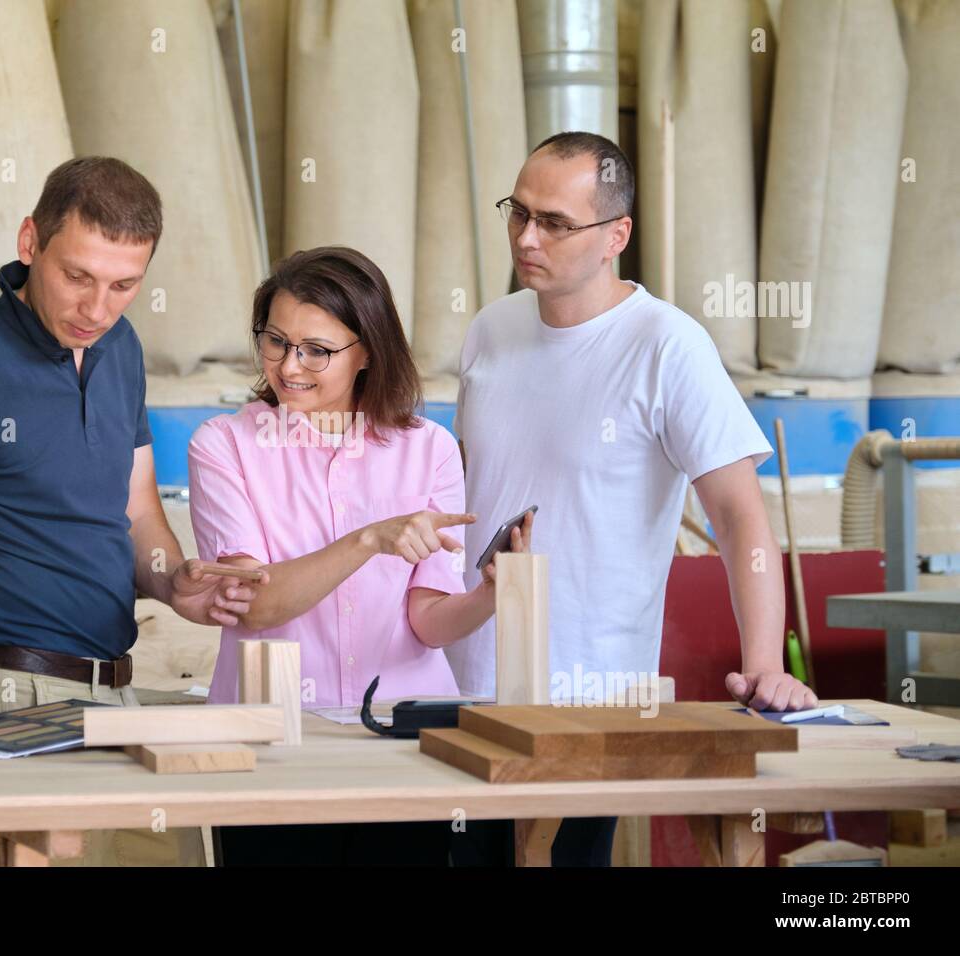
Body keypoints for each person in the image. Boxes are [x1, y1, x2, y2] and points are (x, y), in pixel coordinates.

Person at [0, 156, 263, 866]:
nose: (97, 308)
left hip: (111, 688)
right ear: (29, 243)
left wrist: (176, 582)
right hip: (0, 693)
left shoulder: (121, 346)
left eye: (123, 285)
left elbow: (138, 511)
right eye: (77, 276)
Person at [448, 131, 817, 866]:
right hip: (460, 691)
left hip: (591, 702)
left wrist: (765, 663)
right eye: (517, 212)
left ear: (616, 234)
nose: (526, 236)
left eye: (554, 221)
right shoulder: (490, 331)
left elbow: (741, 513)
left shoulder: (666, 346)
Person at [187, 246, 531, 864]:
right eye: (276, 341)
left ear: (368, 350)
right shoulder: (225, 445)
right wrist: (369, 539)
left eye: (317, 350)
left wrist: (486, 593)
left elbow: (427, 620)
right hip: (271, 742)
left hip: (405, 741)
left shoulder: (427, 448)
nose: (290, 366)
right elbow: (256, 604)